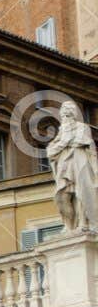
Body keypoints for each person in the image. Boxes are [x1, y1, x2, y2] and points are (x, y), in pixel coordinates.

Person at [49, 100, 98, 233]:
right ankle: (69, 225)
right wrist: (64, 142)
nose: (64, 114)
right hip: (65, 166)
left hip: (80, 162)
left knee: (81, 193)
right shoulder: (61, 132)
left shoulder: (82, 127)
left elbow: (90, 147)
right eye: (63, 112)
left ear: (73, 113)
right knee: (62, 195)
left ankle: (82, 223)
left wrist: (96, 171)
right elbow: (50, 152)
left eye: (67, 111)